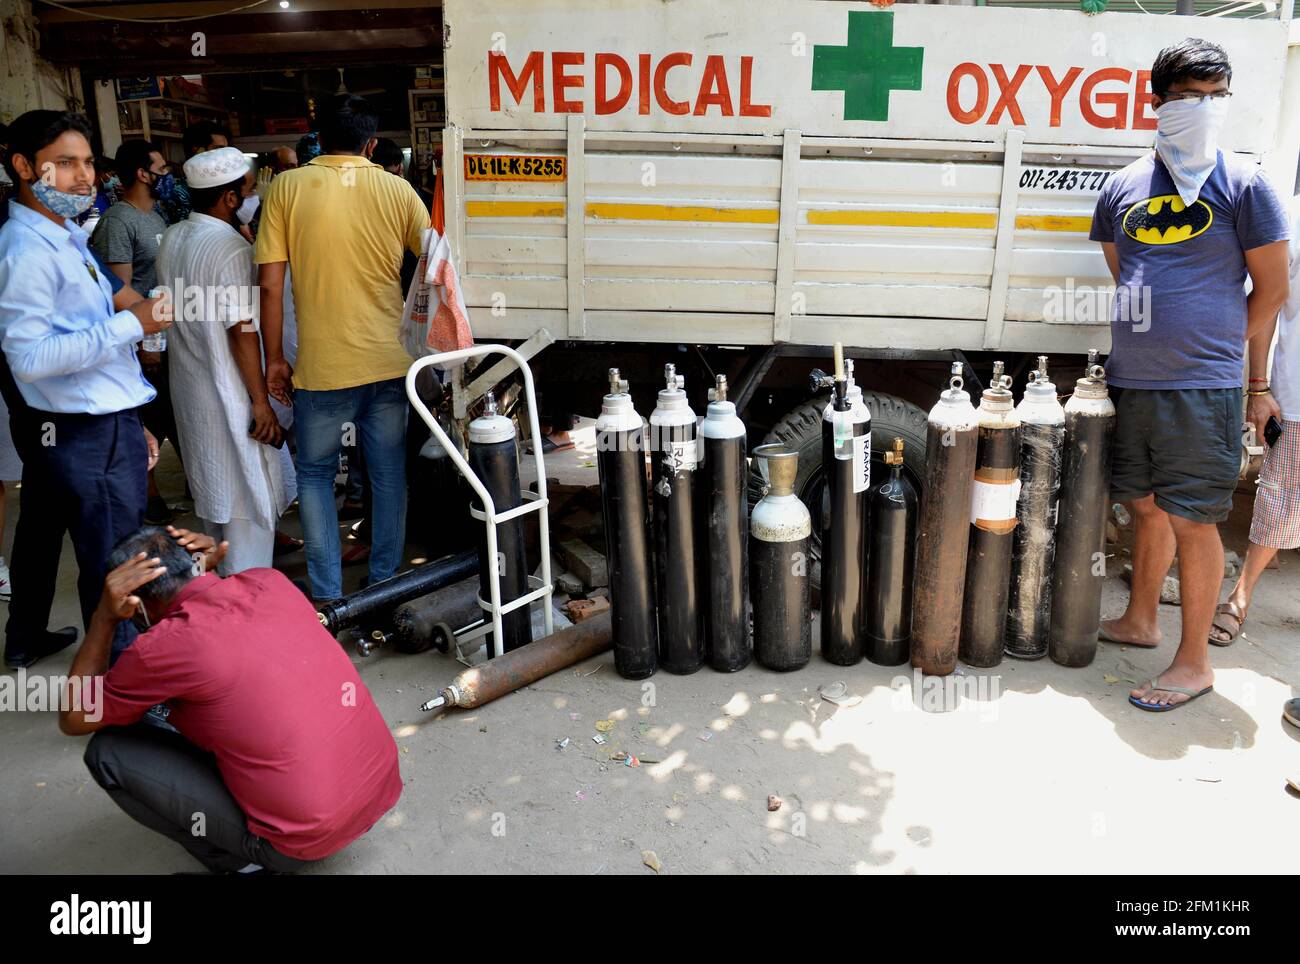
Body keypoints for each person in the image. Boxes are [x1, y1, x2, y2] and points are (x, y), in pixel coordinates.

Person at [1088, 39, 1291, 711]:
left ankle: (1194, 662)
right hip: (1134, 379)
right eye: (1188, 96)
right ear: (1157, 101)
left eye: (1215, 97)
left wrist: (1218, 349)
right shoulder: (1121, 185)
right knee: (1143, 505)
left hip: (1201, 386)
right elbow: (1126, 270)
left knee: (1195, 519)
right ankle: (1140, 620)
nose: (1203, 109)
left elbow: (1272, 289)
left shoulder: (1245, 183)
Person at [60, 525, 402, 874]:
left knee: (107, 752)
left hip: (302, 841)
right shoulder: (269, 581)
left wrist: (103, 617)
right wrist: (207, 569)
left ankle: (239, 863)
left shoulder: (161, 648)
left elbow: (74, 716)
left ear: (136, 604)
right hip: (379, 789)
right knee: (195, 705)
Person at [0, 110, 170, 667]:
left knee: (49, 531)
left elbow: (110, 305)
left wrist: (134, 413)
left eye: (89, 162)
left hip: (82, 422)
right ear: (25, 166)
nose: (83, 177)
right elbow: (27, 358)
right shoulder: (26, 252)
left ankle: (27, 637)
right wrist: (132, 326)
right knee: (115, 563)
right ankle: (127, 686)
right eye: (65, 163)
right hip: (83, 431)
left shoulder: (66, 235)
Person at [255, 95, 428, 604]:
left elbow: (269, 286)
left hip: (323, 371)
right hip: (389, 362)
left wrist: (274, 360)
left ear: (317, 135)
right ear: (371, 143)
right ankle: (383, 584)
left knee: (313, 476)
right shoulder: (398, 190)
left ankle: (330, 597)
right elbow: (437, 266)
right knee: (388, 474)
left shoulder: (286, 188)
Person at [156, 147, 289, 573]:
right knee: (247, 500)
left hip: (191, 391)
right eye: (247, 191)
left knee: (213, 500)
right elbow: (241, 329)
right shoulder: (229, 248)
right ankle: (249, 602)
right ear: (230, 198)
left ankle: (221, 595)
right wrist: (260, 401)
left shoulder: (172, 237)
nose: (251, 197)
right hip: (228, 391)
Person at [1207, 193, 1300, 719]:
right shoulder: (1292, 215)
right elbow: (1269, 299)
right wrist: (1258, 386)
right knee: (1279, 501)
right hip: (1297, 393)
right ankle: (1241, 595)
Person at [91, 139, 181, 525]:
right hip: (143, 341)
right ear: (143, 174)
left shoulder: (155, 213)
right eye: (161, 169)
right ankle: (147, 496)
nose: (167, 176)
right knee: (149, 419)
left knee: (168, 415)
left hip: (164, 332)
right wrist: (146, 343)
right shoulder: (118, 222)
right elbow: (118, 292)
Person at [158, 120, 231, 226]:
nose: (225, 155)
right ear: (198, 150)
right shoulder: (176, 192)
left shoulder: (224, 185)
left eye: (226, 150)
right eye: (218, 149)